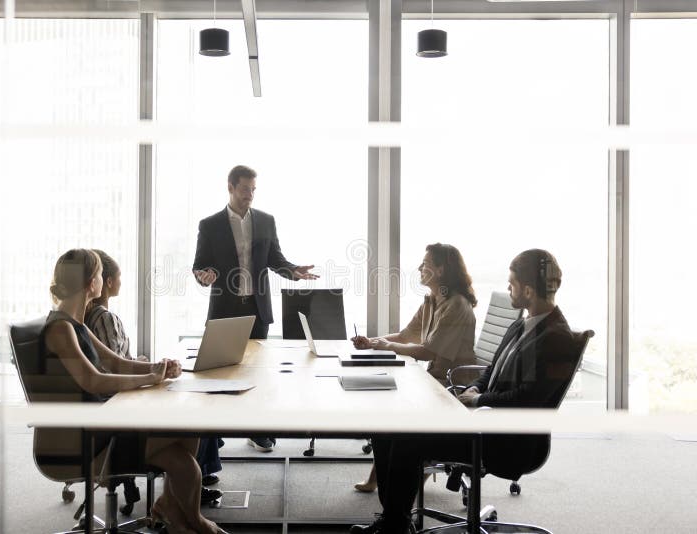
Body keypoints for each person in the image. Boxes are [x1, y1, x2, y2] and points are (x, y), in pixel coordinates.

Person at [350, 249, 580, 534]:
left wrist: (479, 398)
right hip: (484, 420)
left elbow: (526, 399)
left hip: (509, 440)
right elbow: (490, 371)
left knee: (406, 438)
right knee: (387, 427)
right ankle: (393, 520)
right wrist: (475, 387)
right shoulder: (522, 323)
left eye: (512, 283)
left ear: (529, 290)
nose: (508, 287)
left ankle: (395, 525)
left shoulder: (555, 337)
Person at [43, 248, 227, 534]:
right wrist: (149, 379)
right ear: (92, 282)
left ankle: (170, 509)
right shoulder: (60, 329)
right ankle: (194, 522)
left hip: (106, 417)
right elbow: (92, 381)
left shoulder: (75, 323)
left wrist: (159, 368)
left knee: (192, 430)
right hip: (91, 433)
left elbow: (115, 361)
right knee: (187, 467)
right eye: (101, 274)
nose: (104, 279)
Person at [192, 164, 318, 452]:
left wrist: (293, 271)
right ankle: (213, 437)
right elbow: (200, 265)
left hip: (257, 308)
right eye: (245, 188)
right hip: (225, 308)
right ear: (231, 187)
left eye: (253, 189)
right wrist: (204, 274)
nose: (250, 194)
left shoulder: (265, 220)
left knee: (258, 372)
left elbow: (276, 259)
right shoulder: (210, 225)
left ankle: (258, 430)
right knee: (221, 372)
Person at [85, 249, 222, 505]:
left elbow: (113, 362)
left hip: (108, 405)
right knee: (196, 412)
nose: (120, 281)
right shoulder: (104, 319)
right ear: (106, 282)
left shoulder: (82, 321)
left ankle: (183, 492)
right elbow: (112, 371)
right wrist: (152, 373)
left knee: (191, 406)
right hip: (118, 407)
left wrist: (150, 367)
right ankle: (188, 488)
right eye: (117, 276)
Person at [350, 243, 478, 493]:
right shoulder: (433, 300)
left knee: (394, 413)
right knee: (387, 409)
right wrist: (372, 342)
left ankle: (399, 488)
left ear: (440, 270)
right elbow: (407, 335)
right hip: (435, 379)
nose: (420, 268)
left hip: (452, 387)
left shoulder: (457, 306)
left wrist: (386, 347)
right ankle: (383, 481)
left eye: (426, 264)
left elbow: (429, 350)